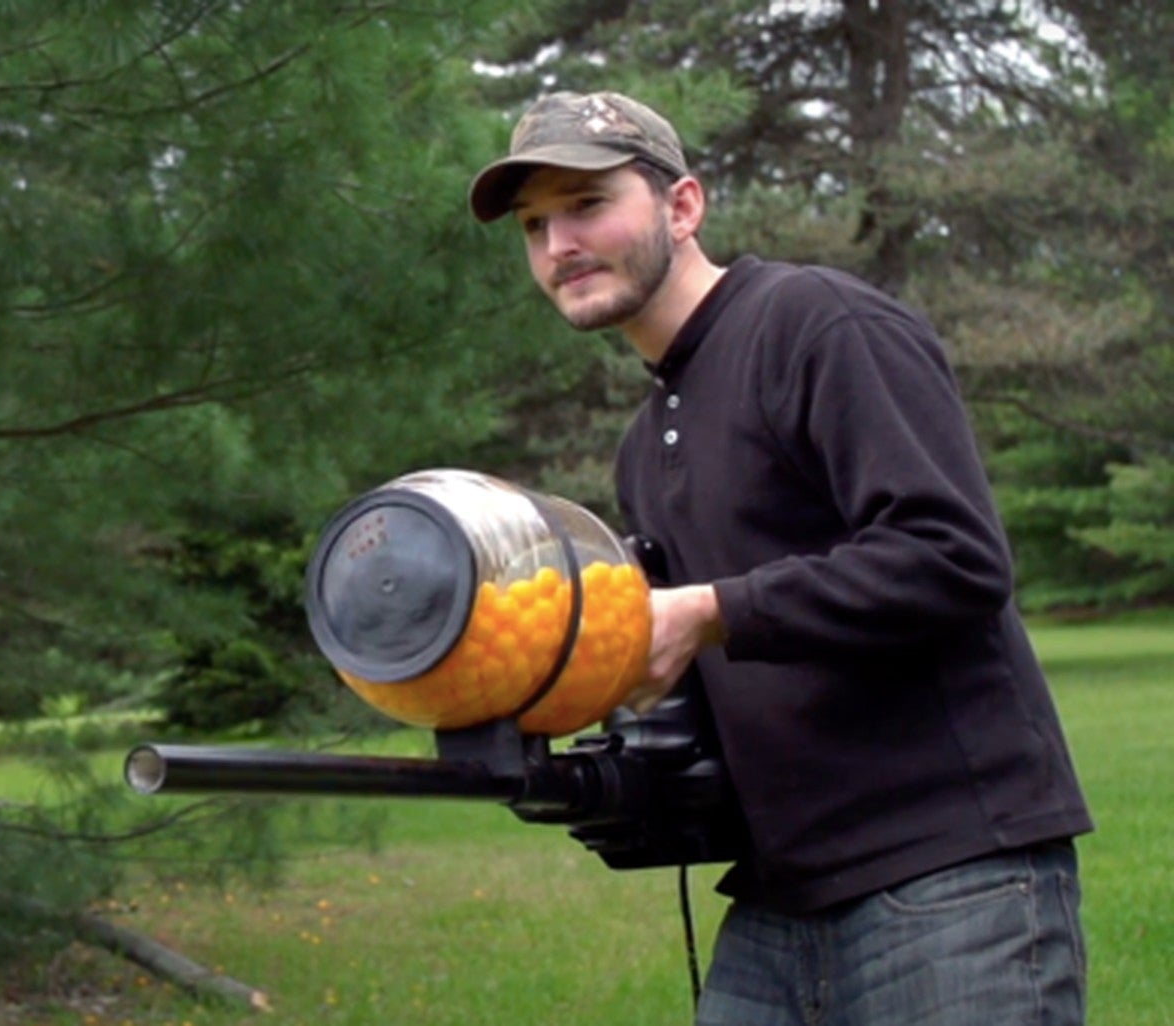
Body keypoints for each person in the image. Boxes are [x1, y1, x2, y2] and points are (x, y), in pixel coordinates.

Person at [467, 91, 1094, 1026]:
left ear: (683, 206)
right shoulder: (644, 446)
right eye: (534, 224)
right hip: (779, 894)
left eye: (588, 204)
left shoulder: (815, 324)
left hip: (951, 873)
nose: (560, 243)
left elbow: (952, 556)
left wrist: (709, 610)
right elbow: (695, 676)